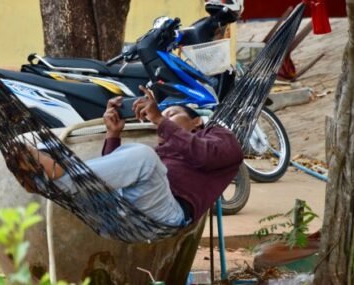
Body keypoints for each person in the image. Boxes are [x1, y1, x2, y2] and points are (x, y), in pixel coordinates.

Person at [27, 85, 243, 227]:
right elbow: (111, 176)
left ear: (197, 121)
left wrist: (159, 119)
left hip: (171, 211)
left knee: (143, 155)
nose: (164, 119)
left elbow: (205, 156)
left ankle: (57, 176)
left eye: (172, 114)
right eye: (163, 115)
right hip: (129, 206)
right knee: (135, 153)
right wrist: (113, 133)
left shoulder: (219, 136)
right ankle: (45, 178)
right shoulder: (165, 147)